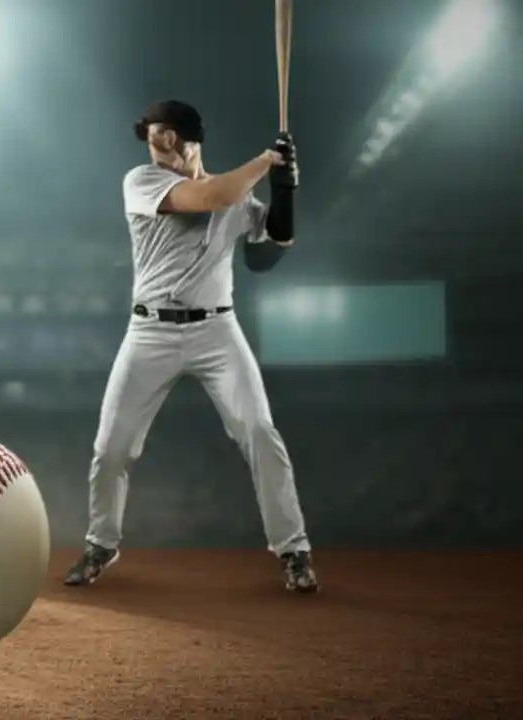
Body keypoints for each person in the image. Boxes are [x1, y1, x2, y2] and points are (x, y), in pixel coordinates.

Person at [63, 100, 319, 593]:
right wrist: (267, 162)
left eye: (165, 134)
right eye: (152, 136)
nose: (156, 145)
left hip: (216, 331)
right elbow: (209, 198)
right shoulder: (143, 181)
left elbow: (270, 251)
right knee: (112, 447)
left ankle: (294, 550)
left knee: (261, 433)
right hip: (149, 332)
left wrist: (286, 188)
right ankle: (101, 542)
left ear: (190, 139)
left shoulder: (236, 194)